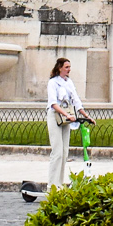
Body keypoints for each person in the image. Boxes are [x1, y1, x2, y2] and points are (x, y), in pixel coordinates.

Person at [47, 56, 89, 189]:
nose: (69, 69)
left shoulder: (69, 83)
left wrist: (86, 116)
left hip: (67, 117)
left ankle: (59, 183)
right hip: (55, 116)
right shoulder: (53, 83)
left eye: (69, 67)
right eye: (66, 67)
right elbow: (53, 103)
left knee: (64, 152)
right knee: (57, 152)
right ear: (60, 68)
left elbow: (76, 101)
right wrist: (67, 115)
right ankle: (52, 185)